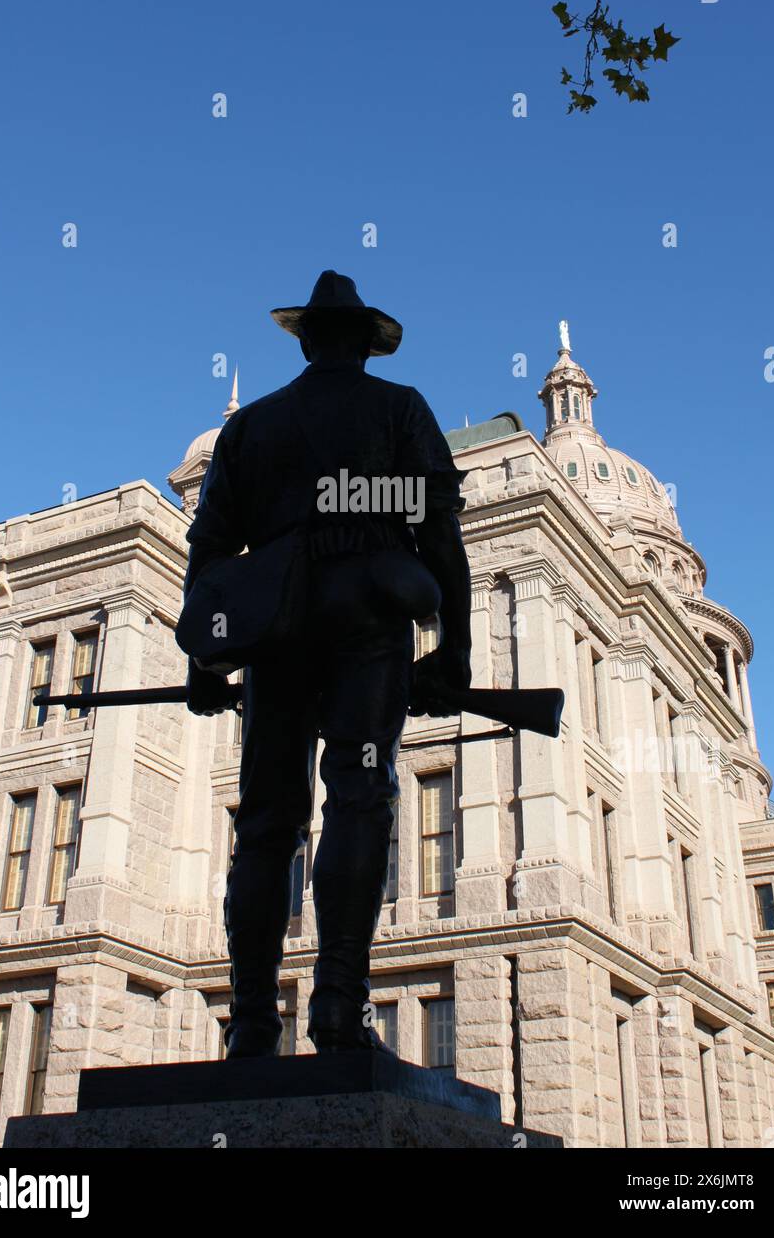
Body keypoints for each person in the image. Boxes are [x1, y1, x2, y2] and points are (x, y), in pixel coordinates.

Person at [183, 270, 471, 1057]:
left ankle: (249, 1021)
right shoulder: (398, 408)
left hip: (274, 627)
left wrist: (203, 655)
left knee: (268, 822)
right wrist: (455, 646)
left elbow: (208, 546)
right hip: (365, 619)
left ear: (308, 341)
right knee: (359, 796)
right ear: (364, 345)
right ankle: (340, 1007)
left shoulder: (253, 429)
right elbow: (440, 530)